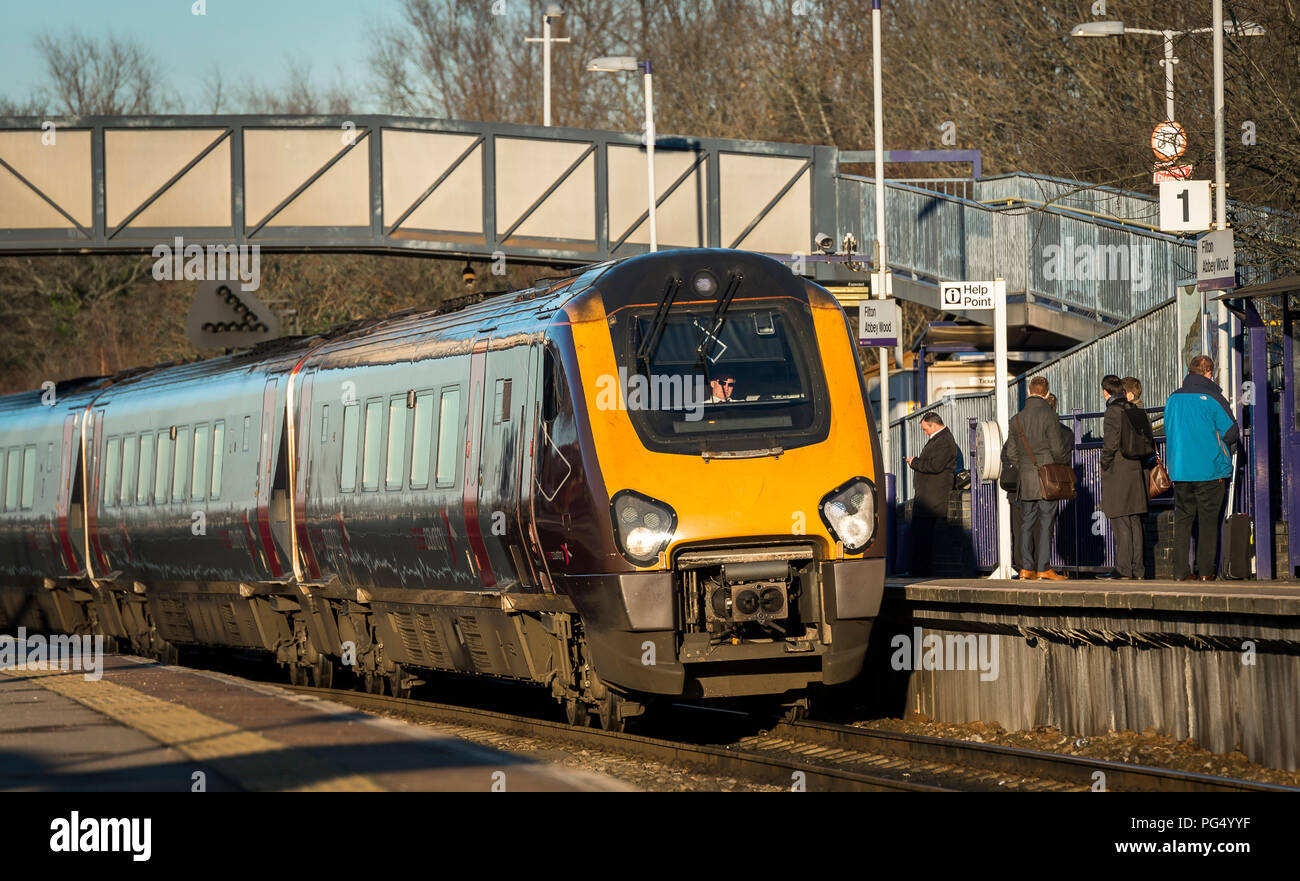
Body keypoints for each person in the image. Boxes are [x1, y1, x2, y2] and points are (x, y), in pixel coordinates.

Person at [1164, 354, 1239, 581]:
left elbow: (1168, 429)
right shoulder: (1214, 397)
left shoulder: (1172, 399)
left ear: (1189, 372)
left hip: (1180, 470)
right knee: (1208, 522)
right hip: (1210, 469)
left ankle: (1179, 572)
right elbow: (1230, 431)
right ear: (1209, 373)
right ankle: (1205, 572)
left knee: (1183, 521)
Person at [1008, 376, 1071, 581]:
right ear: (1046, 393)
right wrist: (1059, 465)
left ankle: (1026, 568)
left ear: (1028, 392)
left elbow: (1011, 453)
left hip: (1026, 478)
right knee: (1046, 522)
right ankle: (1043, 567)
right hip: (1047, 476)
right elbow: (1057, 449)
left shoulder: (1016, 419)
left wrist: (1025, 467)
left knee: (1026, 523)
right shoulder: (1050, 416)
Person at [1100, 374, 1148, 579]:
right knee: (1134, 521)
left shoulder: (1113, 412)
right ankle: (1138, 570)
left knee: (1120, 521)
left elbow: (1110, 444)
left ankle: (1123, 569)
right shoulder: (1134, 409)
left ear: (1105, 391)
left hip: (1118, 470)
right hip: (1136, 469)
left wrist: (1104, 463)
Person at [905, 412, 959, 576]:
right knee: (920, 534)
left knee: (923, 536)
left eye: (925, 429)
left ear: (933, 425)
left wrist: (914, 462)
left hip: (932, 497)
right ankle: (918, 569)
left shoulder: (944, 441)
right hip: (928, 496)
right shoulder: (940, 439)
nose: (925, 432)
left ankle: (920, 571)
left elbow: (935, 466)